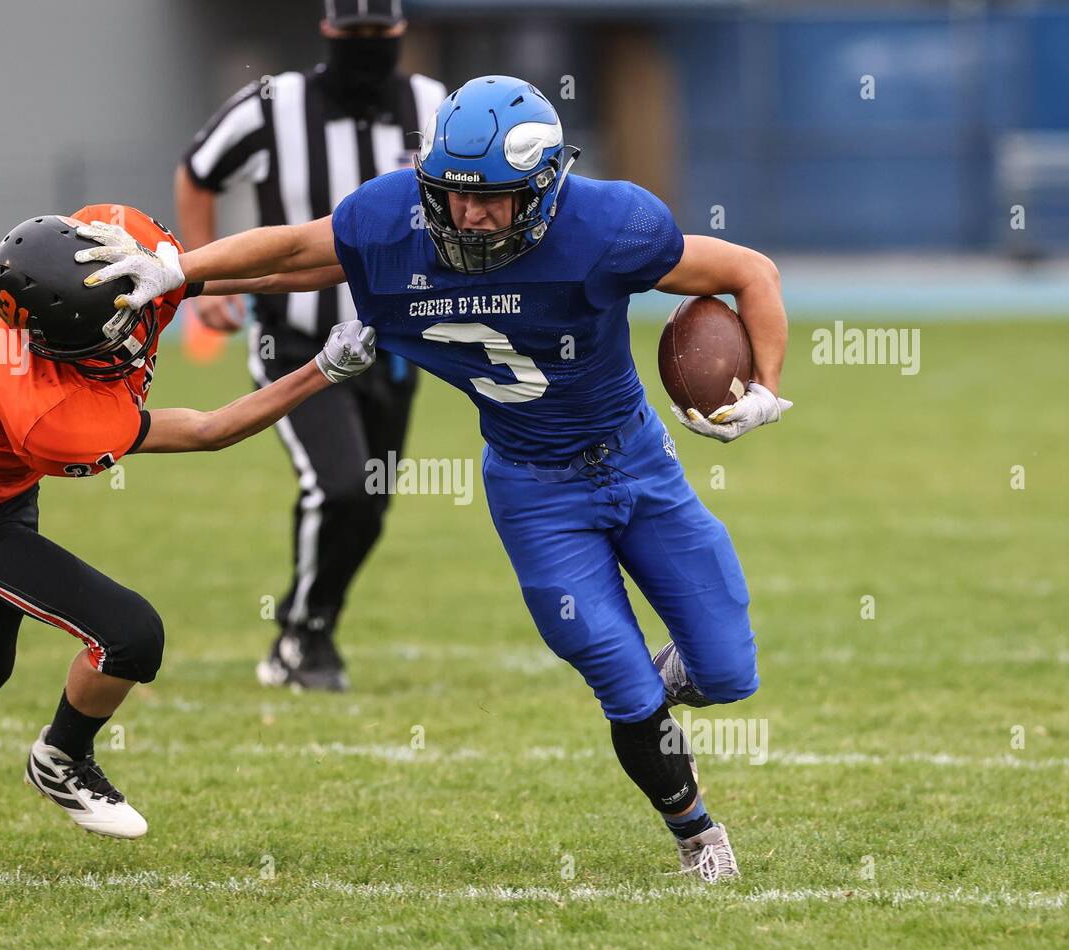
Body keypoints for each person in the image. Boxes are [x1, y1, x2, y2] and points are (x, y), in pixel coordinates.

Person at [83, 76, 794, 882]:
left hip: (636, 461)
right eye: (453, 196)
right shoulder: (391, 221)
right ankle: (696, 833)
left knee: (728, 672)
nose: (468, 217)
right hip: (534, 489)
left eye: (493, 199)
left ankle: (667, 680)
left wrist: (763, 388)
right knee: (617, 677)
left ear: (547, 187)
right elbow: (290, 255)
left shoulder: (608, 225)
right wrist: (179, 270)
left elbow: (749, 271)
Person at [0, 204, 376, 860]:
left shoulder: (114, 263)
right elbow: (209, 431)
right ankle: (62, 757)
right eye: (105, 337)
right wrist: (320, 372)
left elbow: (257, 270)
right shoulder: (48, 413)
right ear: (52, 343)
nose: (128, 340)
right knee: (131, 636)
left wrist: (364, 269)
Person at [176, 0, 445, 691]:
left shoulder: (434, 104)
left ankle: (311, 627)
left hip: (393, 342)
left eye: (376, 34)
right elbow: (199, 170)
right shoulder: (274, 104)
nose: (365, 46)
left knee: (372, 502)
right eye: (352, 34)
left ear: (398, 33)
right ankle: (302, 637)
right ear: (327, 32)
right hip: (296, 336)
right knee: (341, 485)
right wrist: (204, 275)